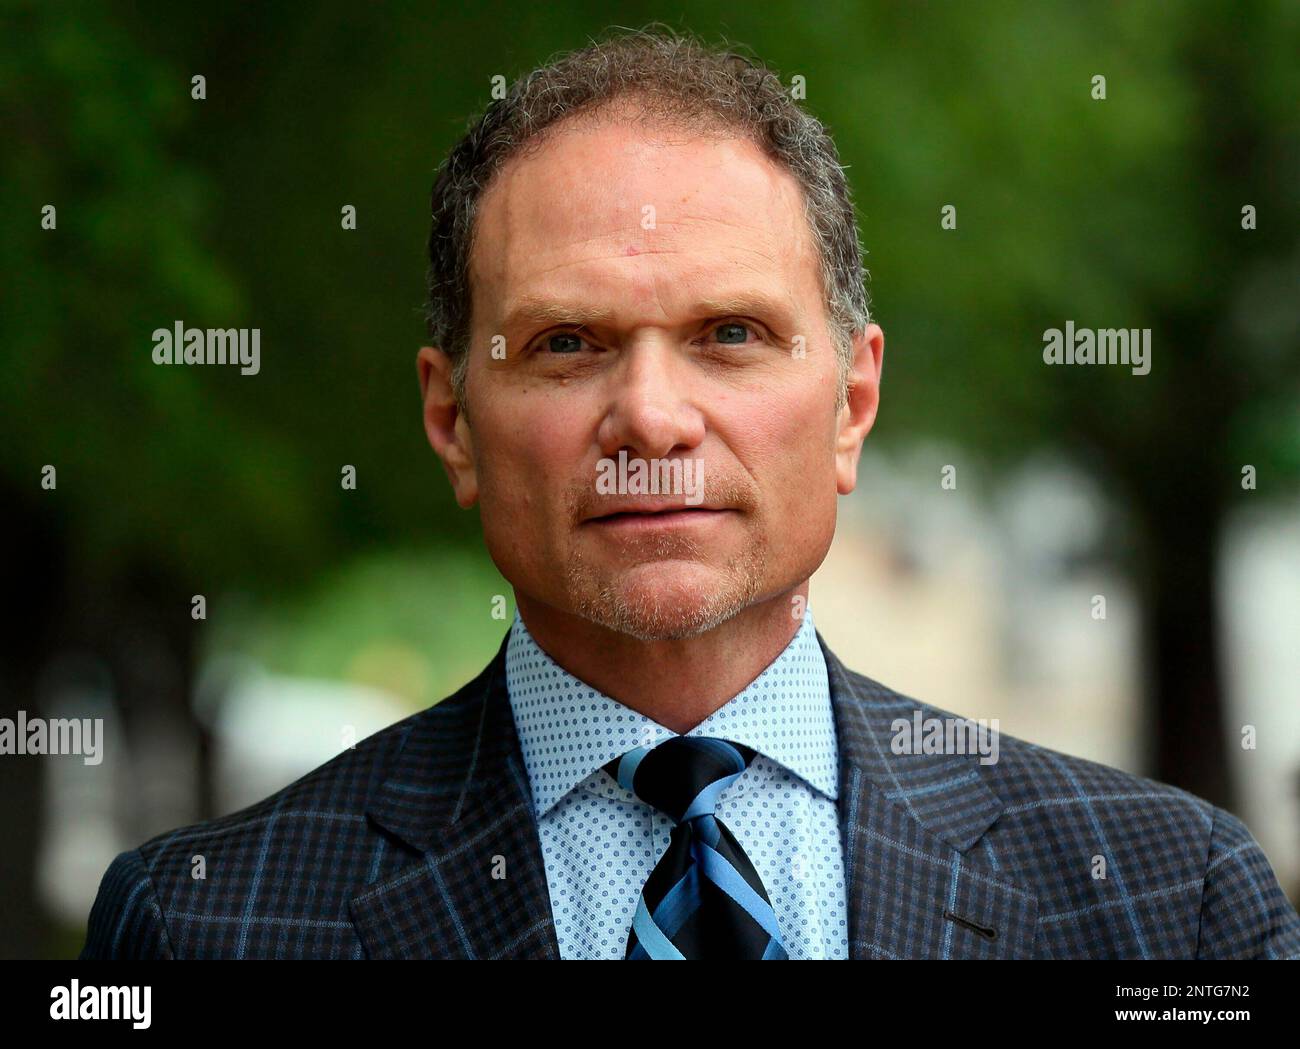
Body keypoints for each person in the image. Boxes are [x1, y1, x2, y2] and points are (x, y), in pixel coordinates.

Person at [81, 27, 1300, 960]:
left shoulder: (1165, 902)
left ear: (852, 404)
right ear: (452, 420)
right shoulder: (206, 925)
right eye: (566, 342)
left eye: (729, 331)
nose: (653, 417)